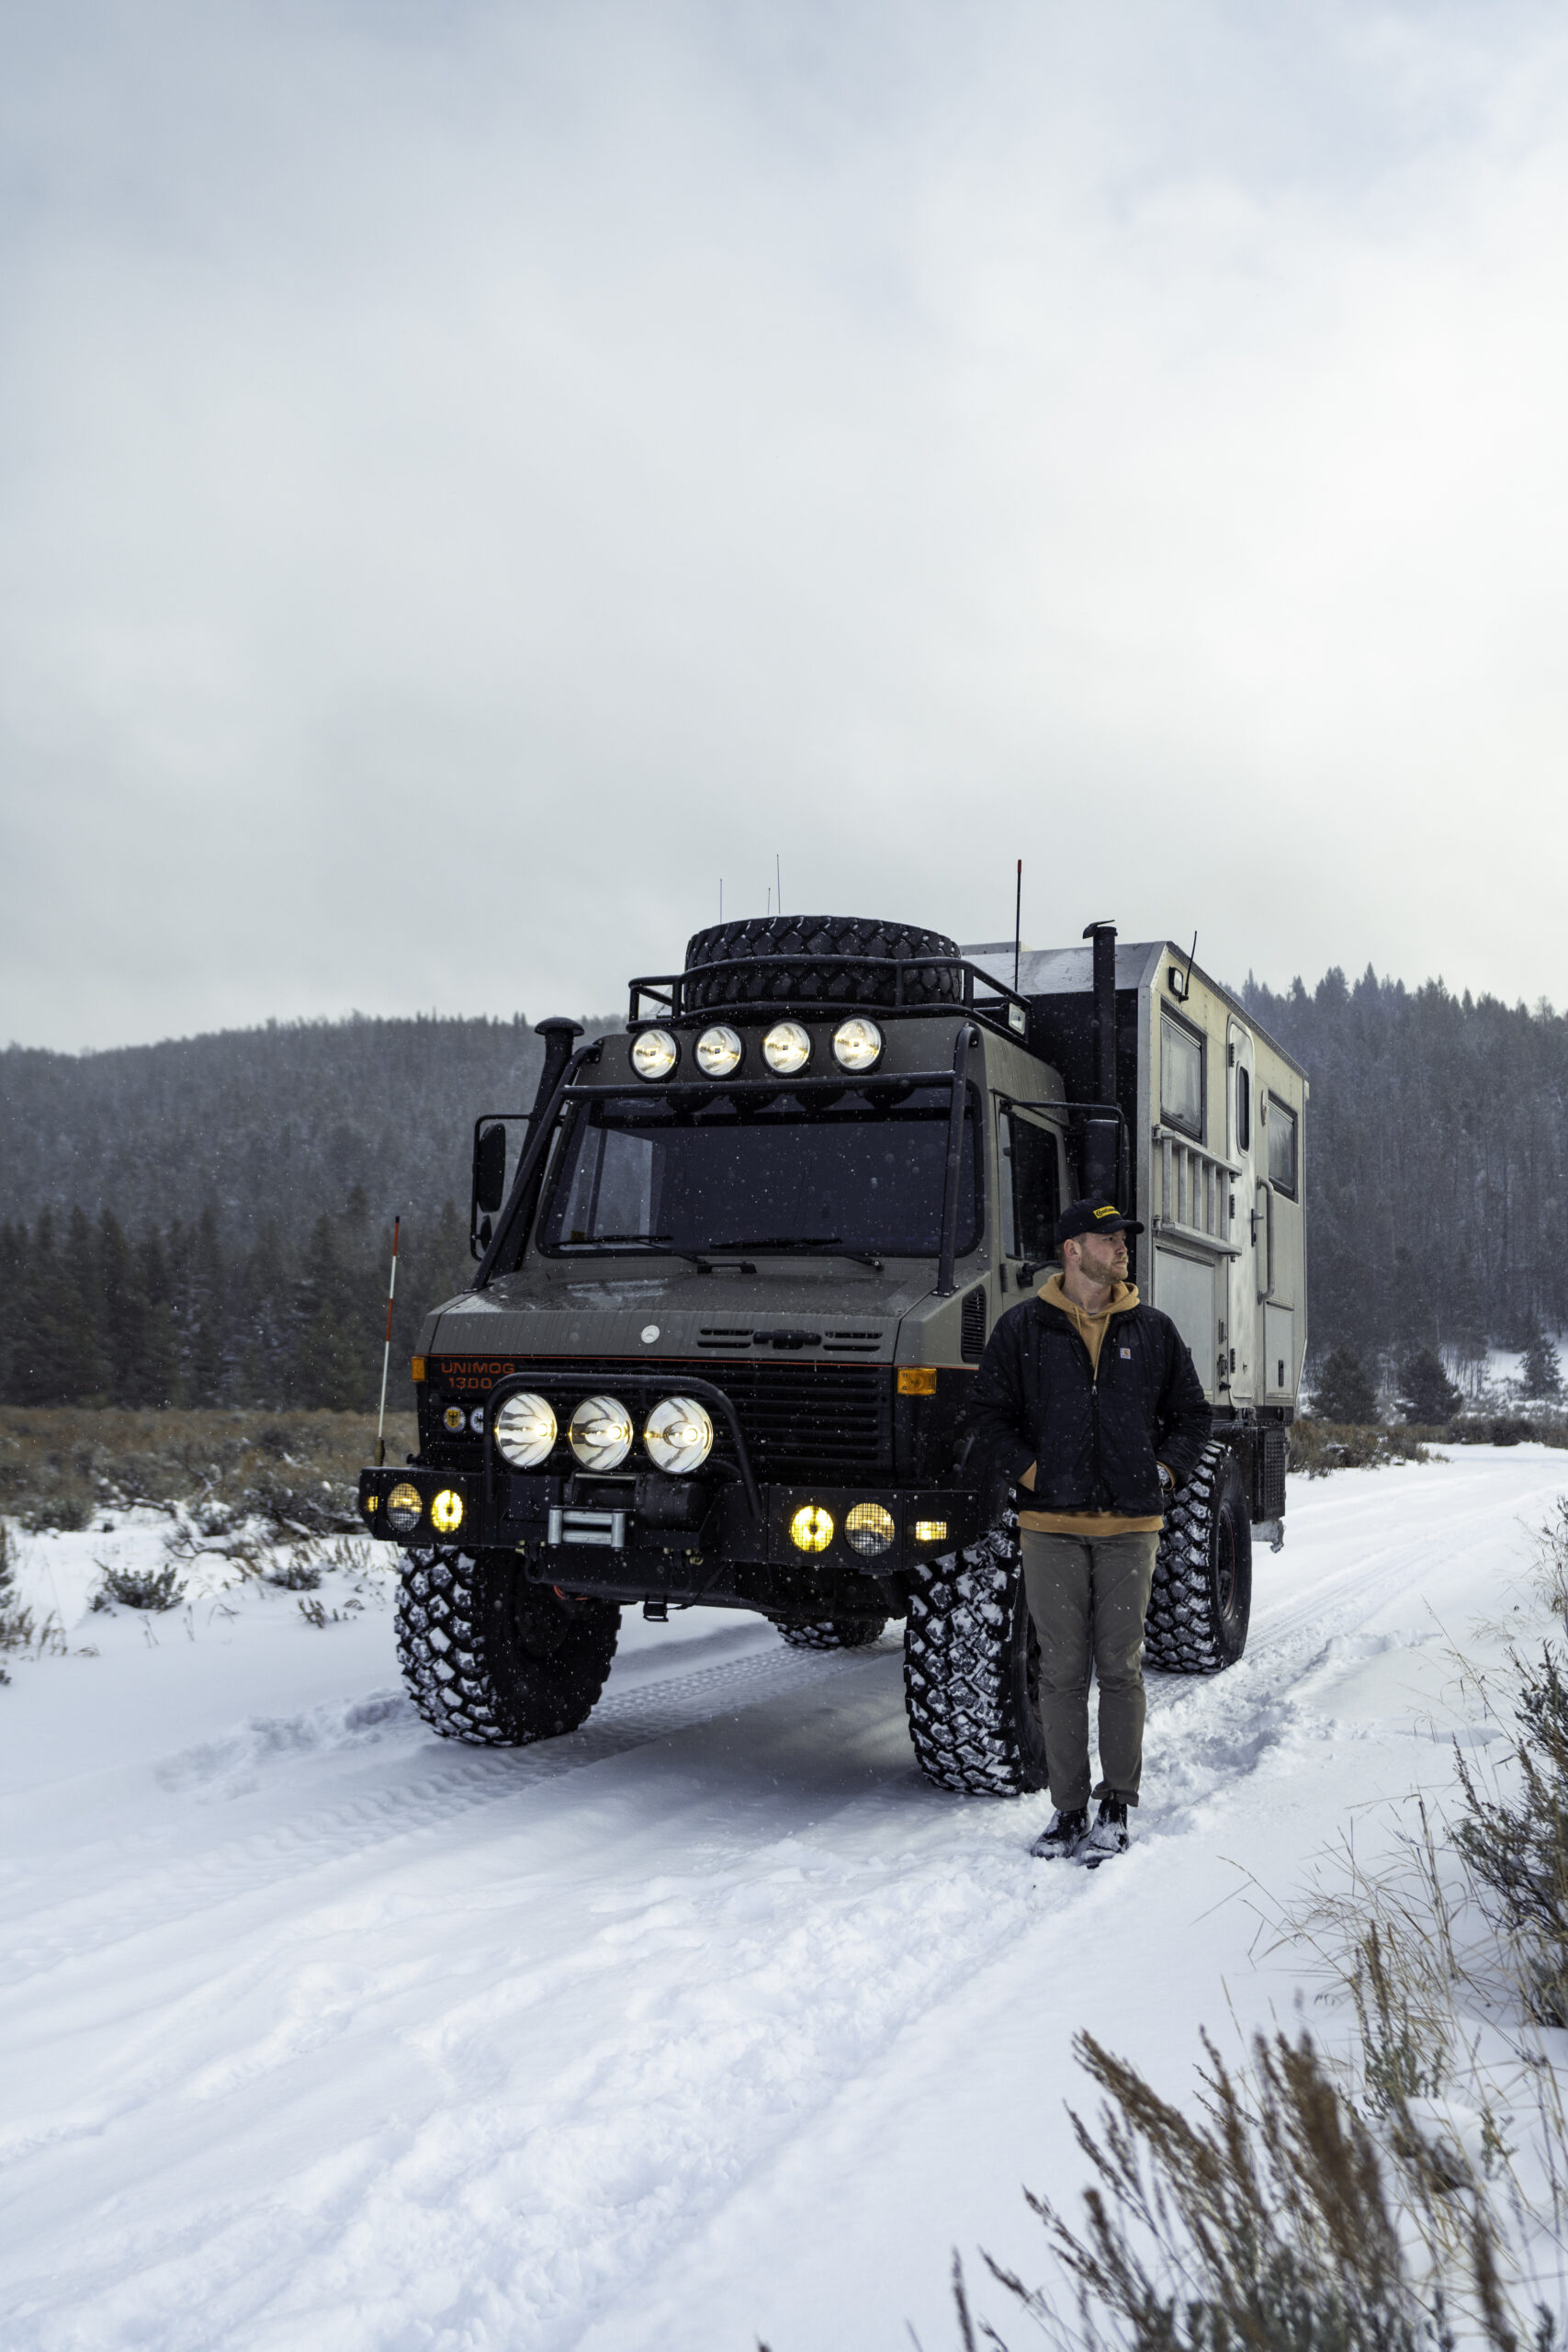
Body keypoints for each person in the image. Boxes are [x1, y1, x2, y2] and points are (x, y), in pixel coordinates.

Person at [967, 1195, 1212, 1864]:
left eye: (1122, 1239)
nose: (1122, 1248)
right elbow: (987, 1417)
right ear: (1073, 1249)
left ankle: (1115, 1807)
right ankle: (1068, 1812)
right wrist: (1032, 1472)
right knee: (1061, 1674)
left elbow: (1193, 1416)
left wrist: (1163, 1474)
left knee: (1120, 1669)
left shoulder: (1152, 1331)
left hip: (1131, 1525)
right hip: (1049, 1525)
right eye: (1108, 1239)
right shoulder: (1023, 1329)